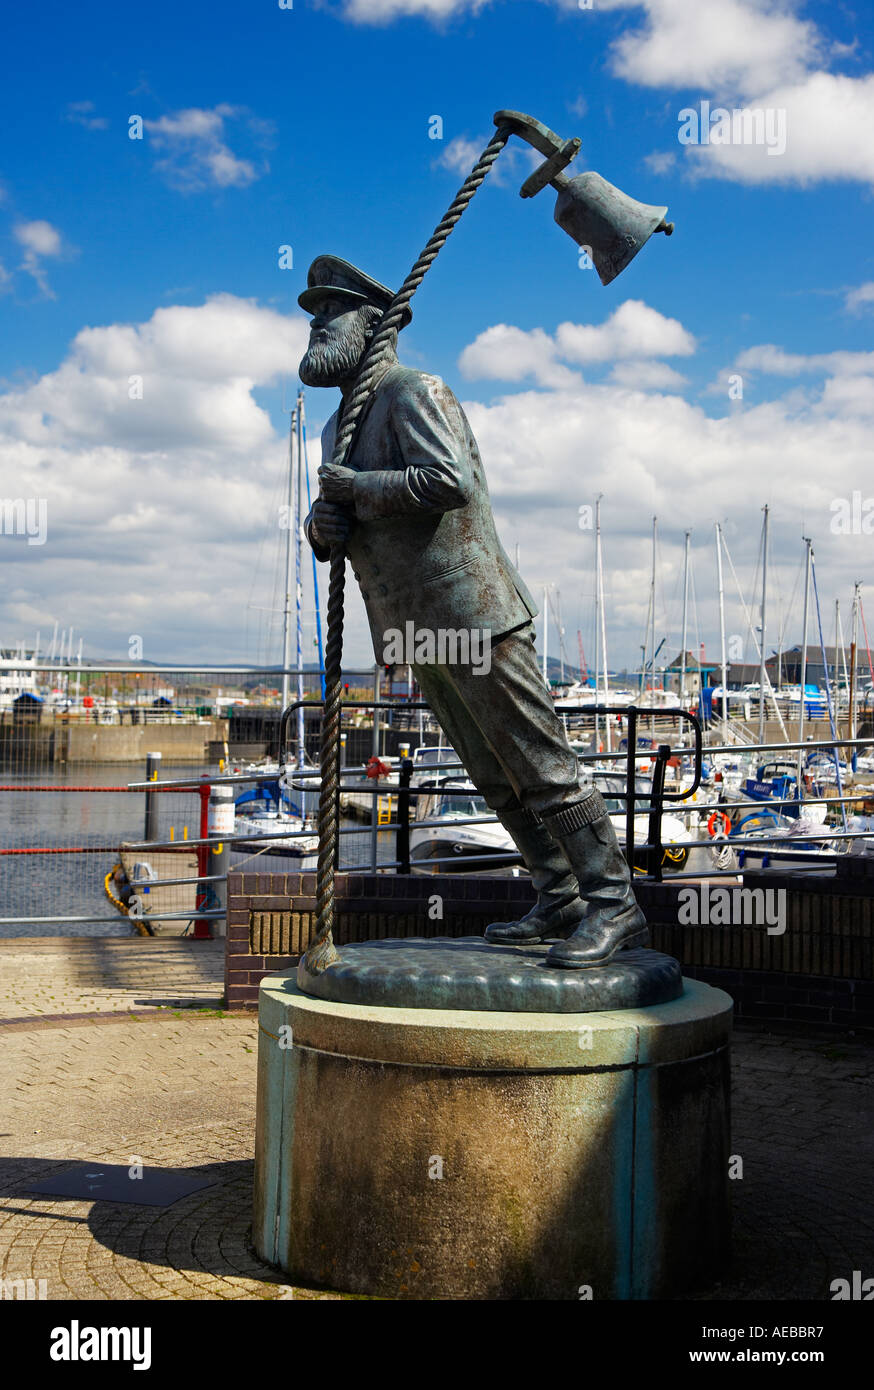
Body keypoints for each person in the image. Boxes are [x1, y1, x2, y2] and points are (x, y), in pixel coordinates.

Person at [300, 255, 646, 968]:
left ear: (372, 323)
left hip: (475, 616)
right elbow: (350, 514)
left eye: (327, 311)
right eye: (313, 311)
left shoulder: (414, 391)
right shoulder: (343, 421)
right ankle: (560, 896)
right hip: (417, 629)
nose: (313, 324)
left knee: (542, 766)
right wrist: (321, 523)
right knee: (493, 774)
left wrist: (360, 489)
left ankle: (614, 903)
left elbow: (447, 480)